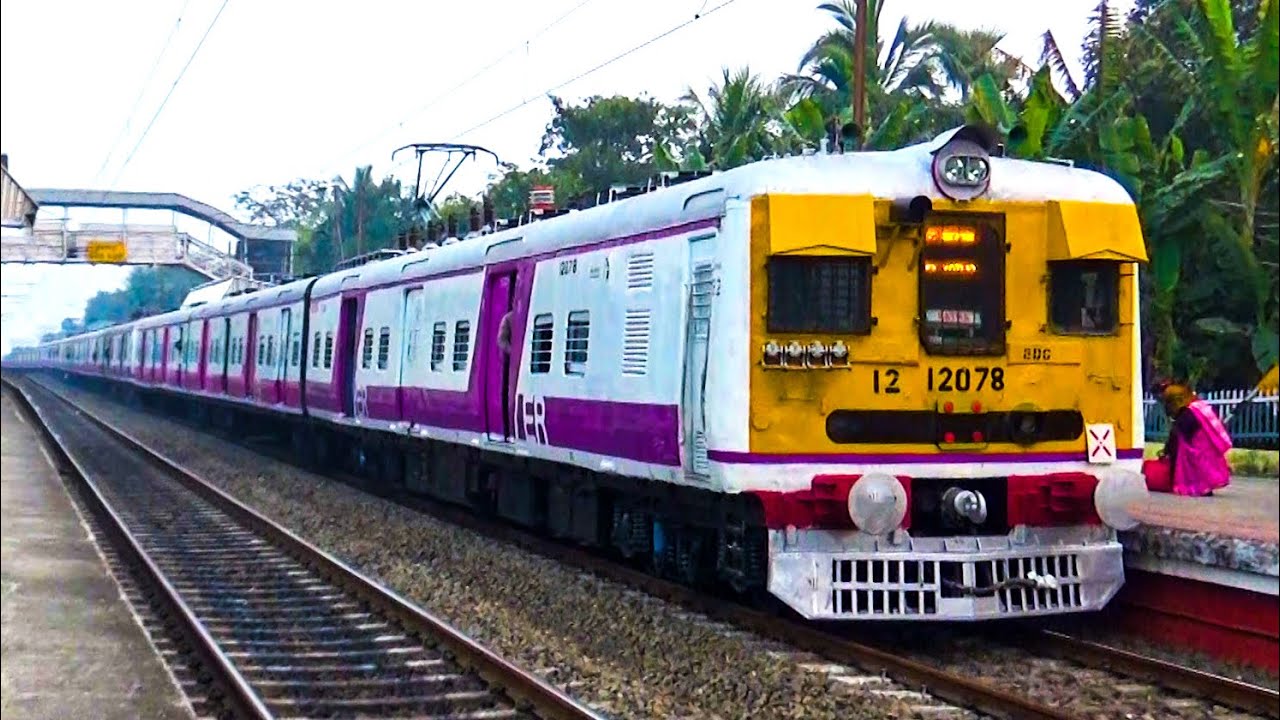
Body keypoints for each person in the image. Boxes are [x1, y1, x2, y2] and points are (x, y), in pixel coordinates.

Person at [1152, 380, 1233, 496]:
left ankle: (1194, 486)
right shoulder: (1198, 407)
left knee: (1184, 453)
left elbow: (1176, 438)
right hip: (1208, 449)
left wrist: (1166, 452)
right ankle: (1205, 487)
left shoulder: (1186, 415)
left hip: (1197, 451)